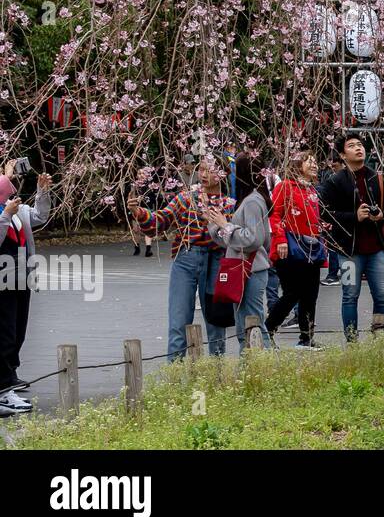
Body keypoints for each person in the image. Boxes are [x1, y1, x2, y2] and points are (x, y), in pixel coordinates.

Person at [130, 154, 234, 361]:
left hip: (216, 261)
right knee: (178, 321)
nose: (203, 174)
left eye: (210, 169)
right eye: (201, 169)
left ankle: (217, 373)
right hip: (186, 258)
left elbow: (232, 237)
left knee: (215, 323)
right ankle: (174, 375)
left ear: (223, 174)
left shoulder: (229, 203)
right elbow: (162, 219)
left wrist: (217, 221)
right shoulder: (187, 197)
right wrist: (139, 212)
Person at [319, 134, 384, 340]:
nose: (358, 148)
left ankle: (380, 335)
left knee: (382, 295)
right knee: (350, 296)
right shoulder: (335, 182)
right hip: (348, 252)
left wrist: (381, 215)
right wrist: (355, 217)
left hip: (377, 249)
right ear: (343, 155)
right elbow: (324, 212)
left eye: (360, 145)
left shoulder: (377, 177)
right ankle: (352, 341)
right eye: (351, 146)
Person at [210, 153, 273, 353]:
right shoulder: (249, 200)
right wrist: (215, 223)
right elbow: (232, 240)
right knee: (244, 324)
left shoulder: (253, 201)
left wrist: (224, 225)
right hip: (244, 268)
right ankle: (251, 369)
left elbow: (253, 239)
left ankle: (262, 369)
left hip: (251, 270)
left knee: (252, 324)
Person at [0, 173, 51, 415]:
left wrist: (42, 192)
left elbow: (40, 216)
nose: (13, 196)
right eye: (8, 193)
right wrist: (6, 214)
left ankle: (10, 375)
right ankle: (3, 389)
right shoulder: (7, 213)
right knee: (5, 333)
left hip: (21, 274)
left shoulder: (18, 211)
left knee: (18, 329)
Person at [267, 152, 326, 349]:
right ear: (297, 165)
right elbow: (275, 215)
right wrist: (280, 239)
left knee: (311, 295)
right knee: (292, 293)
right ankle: (268, 330)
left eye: (315, 161)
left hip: (311, 250)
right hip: (290, 249)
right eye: (309, 161)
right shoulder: (285, 186)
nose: (314, 164)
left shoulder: (313, 191)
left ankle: (306, 338)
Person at [319, 152, 345, 286]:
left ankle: (335, 275)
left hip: (343, 221)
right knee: (334, 247)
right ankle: (335, 275)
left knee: (338, 248)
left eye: (335, 166)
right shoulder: (332, 178)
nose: (333, 168)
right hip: (336, 219)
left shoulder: (346, 179)